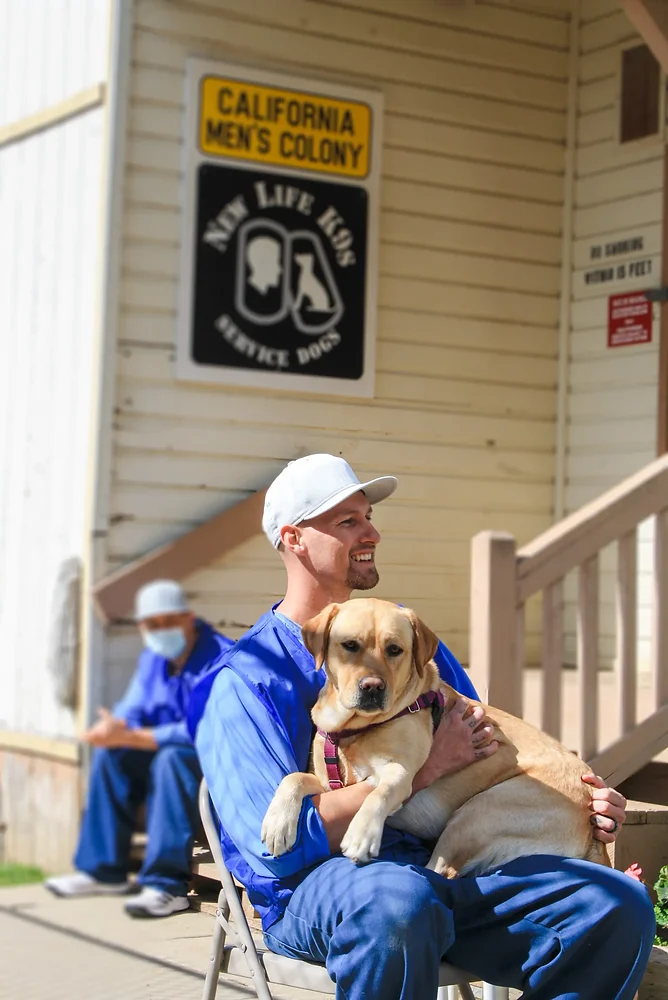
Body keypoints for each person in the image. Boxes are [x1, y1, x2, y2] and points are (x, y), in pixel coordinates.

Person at [194, 454, 654, 999]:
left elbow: (483, 772)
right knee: (398, 902)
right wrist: (422, 769)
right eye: (349, 522)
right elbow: (274, 852)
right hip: (326, 891)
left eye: (369, 517)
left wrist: (578, 807)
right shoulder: (245, 681)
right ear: (294, 539)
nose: (373, 532)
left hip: (446, 874)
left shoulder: (409, 638)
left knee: (614, 906)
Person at [46, 579, 234, 918]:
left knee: (171, 758)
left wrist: (138, 737)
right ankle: (103, 871)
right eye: (151, 625)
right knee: (112, 755)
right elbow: (132, 709)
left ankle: (166, 885)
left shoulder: (222, 657)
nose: (159, 631)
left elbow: (204, 730)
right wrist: (115, 728)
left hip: (216, 770)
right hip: (168, 762)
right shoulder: (154, 659)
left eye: (167, 622)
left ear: (188, 618)